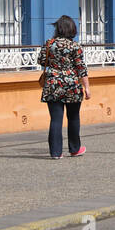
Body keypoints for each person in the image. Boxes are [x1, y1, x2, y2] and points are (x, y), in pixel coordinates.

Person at [37, 15, 90, 158]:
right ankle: (74, 149)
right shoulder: (75, 46)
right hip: (72, 85)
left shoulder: (49, 44)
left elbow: (41, 60)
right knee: (73, 117)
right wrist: (87, 87)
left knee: (55, 119)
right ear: (72, 29)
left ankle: (55, 152)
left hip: (53, 84)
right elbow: (81, 68)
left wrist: (55, 64)